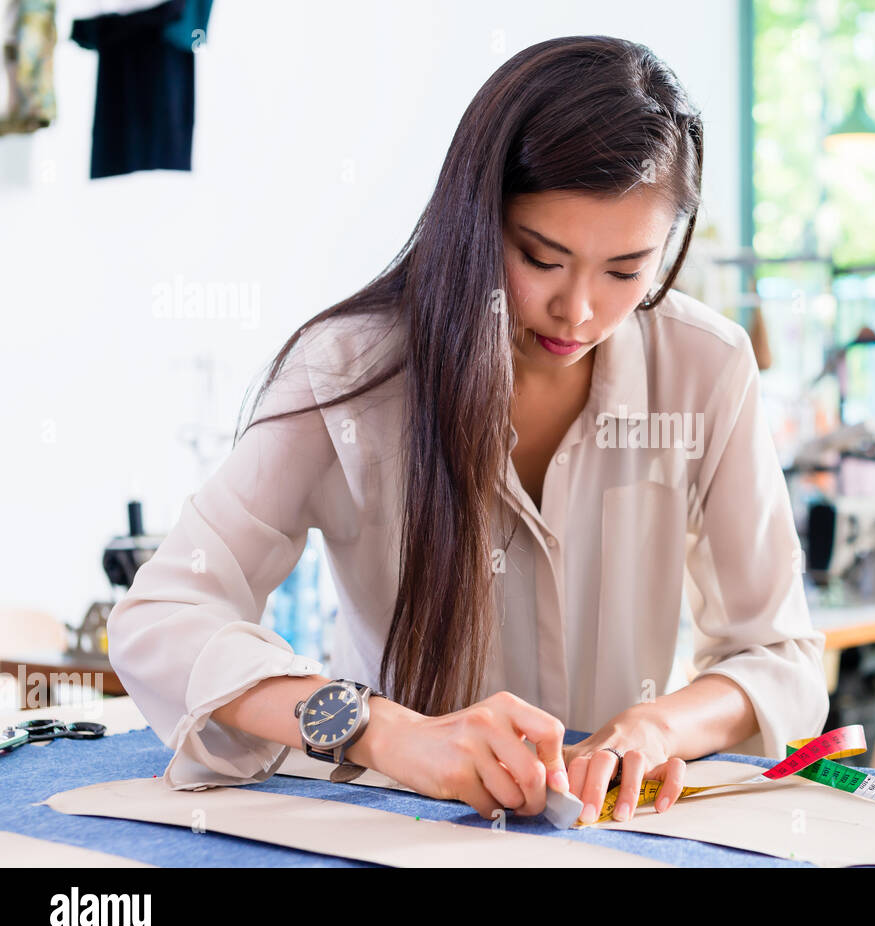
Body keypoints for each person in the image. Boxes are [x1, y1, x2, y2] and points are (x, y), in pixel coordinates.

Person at [106, 36, 828, 826]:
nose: (579, 310)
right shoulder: (347, 371)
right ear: (476, 219)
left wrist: (657, 725)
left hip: (614, 836)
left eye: (626, 271)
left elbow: (779, 654)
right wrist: (384, 732)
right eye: (541, 257)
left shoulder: (707, 366)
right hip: (397, 830)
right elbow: (163, 617)